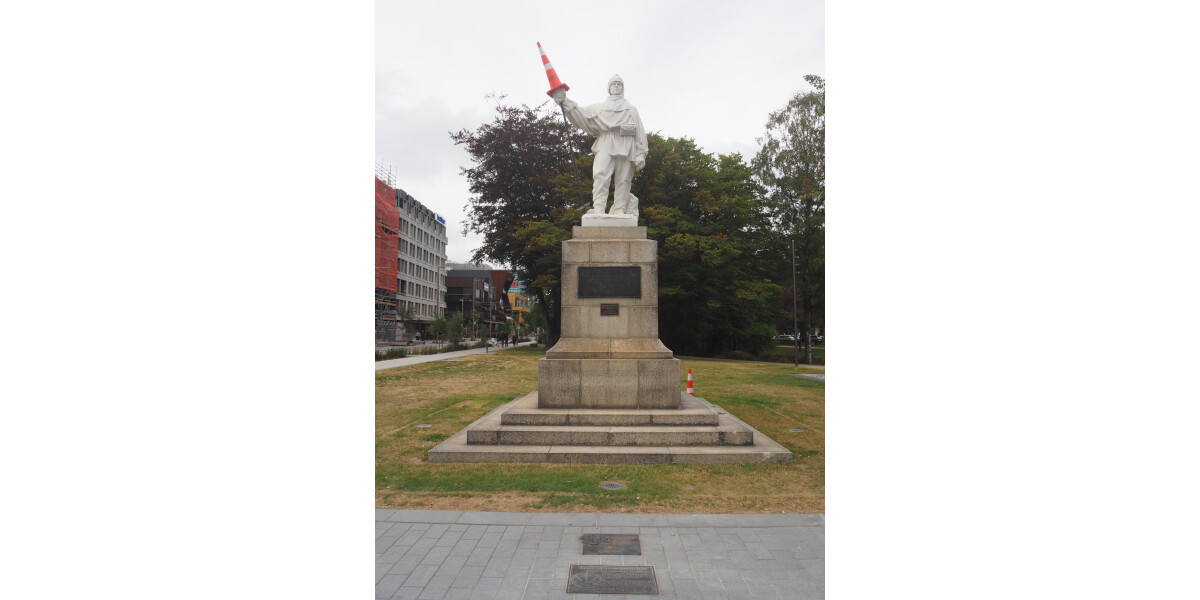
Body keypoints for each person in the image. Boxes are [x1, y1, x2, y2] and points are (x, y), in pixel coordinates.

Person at [552, 74, 647, 217]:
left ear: (623, 88)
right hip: (605, 143)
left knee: (624, 179)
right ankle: (599, 209)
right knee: (600, 175)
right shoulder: (599, 108)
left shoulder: (631, 109)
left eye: (619, 84)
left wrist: (642, 153)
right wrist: (564, 101)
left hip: (627, 145)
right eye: (613, 84)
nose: (616, 86)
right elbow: (580, 114)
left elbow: (640, 132)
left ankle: (620, 209)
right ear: (608, 88)